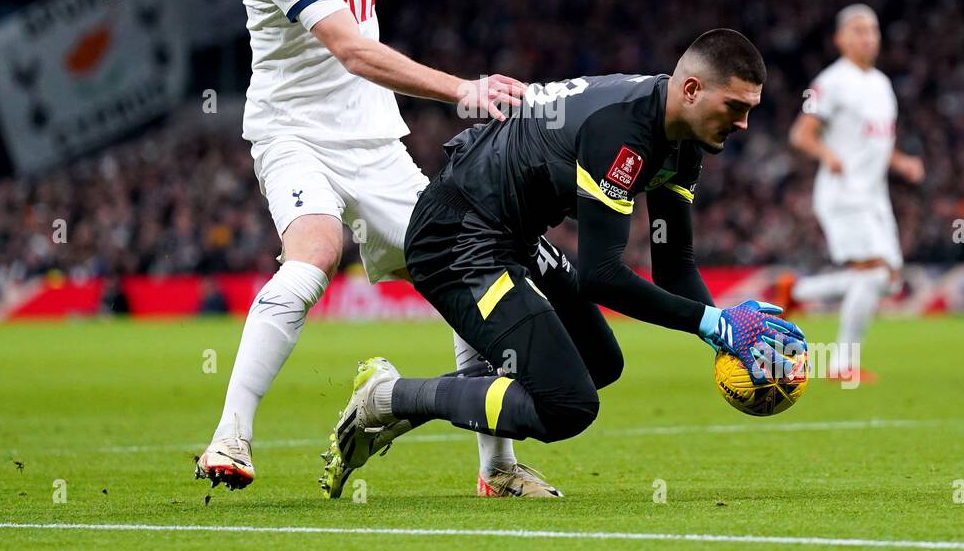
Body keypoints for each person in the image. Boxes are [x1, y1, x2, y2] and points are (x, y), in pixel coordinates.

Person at [196, 0, 561, 497]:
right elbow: (352, 51)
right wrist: (462, 88)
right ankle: (230, 438)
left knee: (470, 271)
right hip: (296, 133)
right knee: (314, 257)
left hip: (373, 138)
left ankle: (498, 471)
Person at [318, 29, 806, 497]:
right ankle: (386, 397)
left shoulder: (682, 142)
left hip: (512, 234)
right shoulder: (622, 130)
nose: (743, 123)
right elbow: (602, 275)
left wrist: (723, 338)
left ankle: (448, 437)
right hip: (458, 237)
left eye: (750, 110)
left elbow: (675, 264)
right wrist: (715, 322)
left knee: (601, 362)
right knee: (568, 405)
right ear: (693, 89)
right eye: (736, 107)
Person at [779, 4, 925, 382]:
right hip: (843, 194)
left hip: (875, 197)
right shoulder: (830, 82)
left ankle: (799, 291)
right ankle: (841, 364)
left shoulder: (882, 85)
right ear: (840, 39)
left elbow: (876, 145)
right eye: (859, 31)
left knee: (888, 280)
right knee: (873, 271)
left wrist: (902, 162)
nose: (868, 37)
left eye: (873, 30)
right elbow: (800, 134)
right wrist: (827, 154)